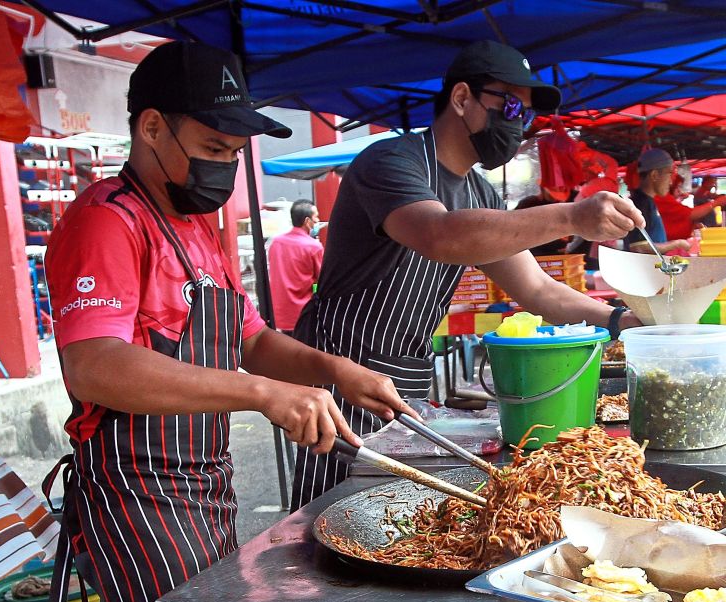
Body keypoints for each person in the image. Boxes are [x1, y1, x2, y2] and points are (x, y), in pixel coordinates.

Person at [42, 41, 415, 602]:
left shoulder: (193, 228)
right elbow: (94, 364)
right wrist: (263, 394)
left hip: (207, 483)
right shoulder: (106, 221)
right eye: (214, 147)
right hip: (139, 494)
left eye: (235, 152)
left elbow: (253, 340)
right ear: (152, 128)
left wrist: (335, 369)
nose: (226, 166)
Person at [292, 40, 645, 507]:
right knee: (329, 513)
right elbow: (439, 235)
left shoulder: (479, 192)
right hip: (338, 374)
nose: (519, 123)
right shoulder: (391, 162)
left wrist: (622, 320)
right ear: (462, 98)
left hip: (408, 377)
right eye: (512, 105)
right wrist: (573, 217)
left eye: (527, 114)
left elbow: (536, 288)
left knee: (392, 511)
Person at [267, 199, 324, 334]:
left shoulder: (276, 243)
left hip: (279, 313)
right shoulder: (313, 246)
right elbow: (322, 279)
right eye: (316, 216)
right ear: (307, 221)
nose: (318, 220)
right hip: (303, 312)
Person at [623, 148, 691, 255]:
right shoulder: (640, 204)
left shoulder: (648, 201)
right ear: (654, 175)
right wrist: (677, 244)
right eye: (669, 174)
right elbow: (638, 247)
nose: (670, 182)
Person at [513, 185, 576, 255]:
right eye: (553, 193)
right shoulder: (528, 203)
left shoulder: (569, 203)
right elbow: (515, 228)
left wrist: (570, 245)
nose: (557, 199)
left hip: (561, 253)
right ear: (543, 189)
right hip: (534, 252)